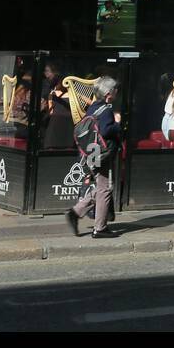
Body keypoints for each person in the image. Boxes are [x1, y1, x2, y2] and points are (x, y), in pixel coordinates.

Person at [65, 76, 122, 239]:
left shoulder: (93, 108)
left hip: (92, 151)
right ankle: (100, 228)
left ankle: (75, 212)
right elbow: (105, 131)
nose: (117, 92)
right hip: (101, 153)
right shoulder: (107, 110)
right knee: (104, 188)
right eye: (115, 90)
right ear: (109, 94)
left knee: (100, 186)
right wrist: (117, 125)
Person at [41, 61, 74, 149]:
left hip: (55, 123)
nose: (46, 74)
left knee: (51, 147)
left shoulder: (52, 92)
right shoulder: (72, 94)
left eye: (47, 71)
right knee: (67, 147)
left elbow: (50, 111)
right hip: (68, 123)